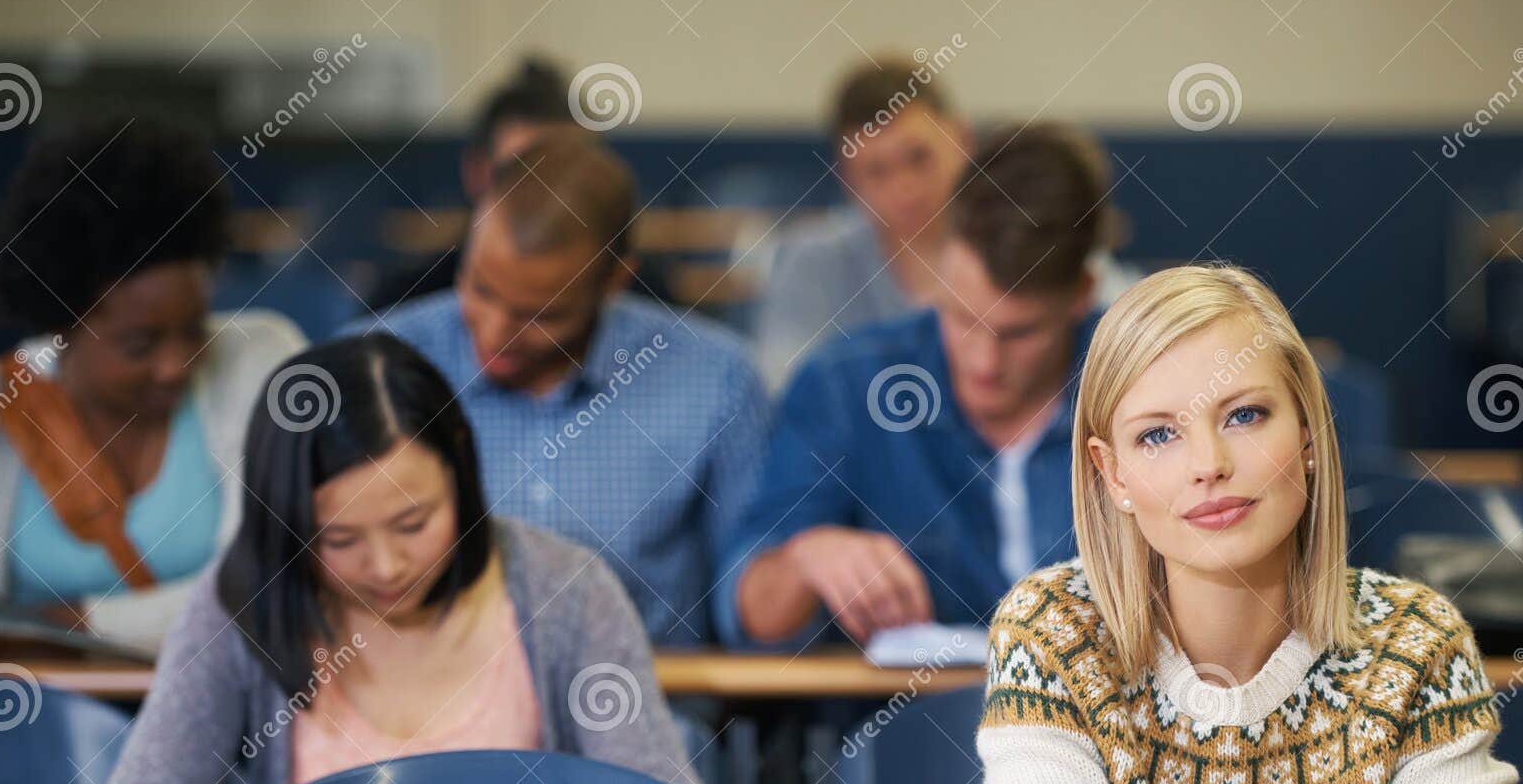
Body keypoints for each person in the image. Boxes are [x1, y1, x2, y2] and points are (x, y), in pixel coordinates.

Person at [976, 264, 1523, 784]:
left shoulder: (1416, 640)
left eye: (1244, 415)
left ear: (1306, 432)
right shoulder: (1052, 631)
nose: (1207, 462)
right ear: (1112, 472)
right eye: (1158, 434)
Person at [105, 333, 702, 784]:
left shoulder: (566, 590)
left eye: (414, 523)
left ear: (462, 468)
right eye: (339, 539)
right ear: (286, 526)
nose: (387, 567)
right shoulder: (237, 605)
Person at [354, 132, 768, 646]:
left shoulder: (715, 381)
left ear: (617, 281)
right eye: (480, 288)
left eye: (540, 315)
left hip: (644, 707)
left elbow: (753, 614)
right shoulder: (370, 370)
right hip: (422, 708)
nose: (494, 331)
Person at [719, 124, 1101, 647]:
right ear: (941, 269)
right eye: (963, 318)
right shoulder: (847, 387)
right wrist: (807, 556)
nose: (985, 362)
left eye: (1020, 333)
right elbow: (746, 618)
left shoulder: (1140, 387)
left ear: (1082, 295)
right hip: (899, 721)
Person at [0, 116, 306, 655]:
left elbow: (272, 586)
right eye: (140, 345)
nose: (176, 365)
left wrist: (67, 624)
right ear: (62, 324)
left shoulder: (259, 360)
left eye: (194, 329)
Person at [754, 60, 1138, 391]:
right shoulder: (813, 262)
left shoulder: (1020, 236)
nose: (904, 187)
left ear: (962, 139)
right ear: (847, 179)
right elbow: (785, 389)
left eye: (918, 158)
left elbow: (1131, 325)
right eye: (876, 171)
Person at [363, 57, 579, 312]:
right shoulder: (402, 304)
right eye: (523, 173)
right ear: (477, 173)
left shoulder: (627, 300)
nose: (547, 193)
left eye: (567, 174)